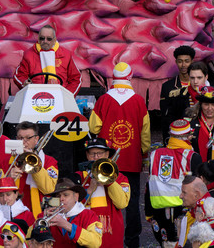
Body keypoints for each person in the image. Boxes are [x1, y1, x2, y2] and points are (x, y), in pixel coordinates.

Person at [89, 62, 150, 248]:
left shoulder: (103, 100)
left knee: (106, 201)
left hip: (105, 162)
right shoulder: (139, 101)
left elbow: (93, 127)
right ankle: (132, 242)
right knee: (131, 202)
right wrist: (144, 154)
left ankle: (106, 238)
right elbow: (145, 135)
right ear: (130, 77)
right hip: (132, 160)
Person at [146, 119, 200, 248]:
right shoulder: (192, 157)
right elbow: (199, 187)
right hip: (184, 211)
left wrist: (148, 212)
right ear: (189, 136)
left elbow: (149, 184)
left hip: (157, 209)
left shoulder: (154, 154)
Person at [76, 137, 129, 248]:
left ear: (107, 154)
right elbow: (72, 206)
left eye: (99, 153)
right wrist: (89, 190)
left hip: (111, 234)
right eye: (92, 154)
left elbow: (122, 204)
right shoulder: (78, 176)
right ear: (87, 155)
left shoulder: (120, 178)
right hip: (87, 231)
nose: (96, 157)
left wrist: (109, 181)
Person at [14, 25, 81, 95]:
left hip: (60, 96)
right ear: (38, 39)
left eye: (49, 39)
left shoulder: (66, 54)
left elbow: (76, 79)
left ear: (54, 40)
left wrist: (67, 95)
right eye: (42, 38)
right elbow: (19, 75)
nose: (45, 41)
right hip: (35, 96)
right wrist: (24, 83)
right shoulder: (29, 54)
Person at [12, 121, 59, 217]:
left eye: (28, 138)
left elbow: (48, 189)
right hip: (13, 213)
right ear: (16, 139)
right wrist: (8, 178)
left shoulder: (49, 161)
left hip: (37, 213)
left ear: (36, 139)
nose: (24, 142)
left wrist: (33, 161)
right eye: (20, 138)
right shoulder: (9, 160)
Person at [43, 178, 102, 248]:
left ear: (76, 197)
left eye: (65, 195)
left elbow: (96, 242)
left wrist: (68, 226)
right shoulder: (48, 214)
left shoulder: (89, 215)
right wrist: (41, 223)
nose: (61, 199)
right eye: (58, 196)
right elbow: (30, 240)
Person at [159, 46, 195, 142]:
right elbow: (165, 116)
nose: (183, 65)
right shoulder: (167, 87)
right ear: (176, 62)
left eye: (186, 61)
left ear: (192, 61)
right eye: (180, 61)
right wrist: (166, 139)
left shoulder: (199, 84)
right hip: (177, 134)